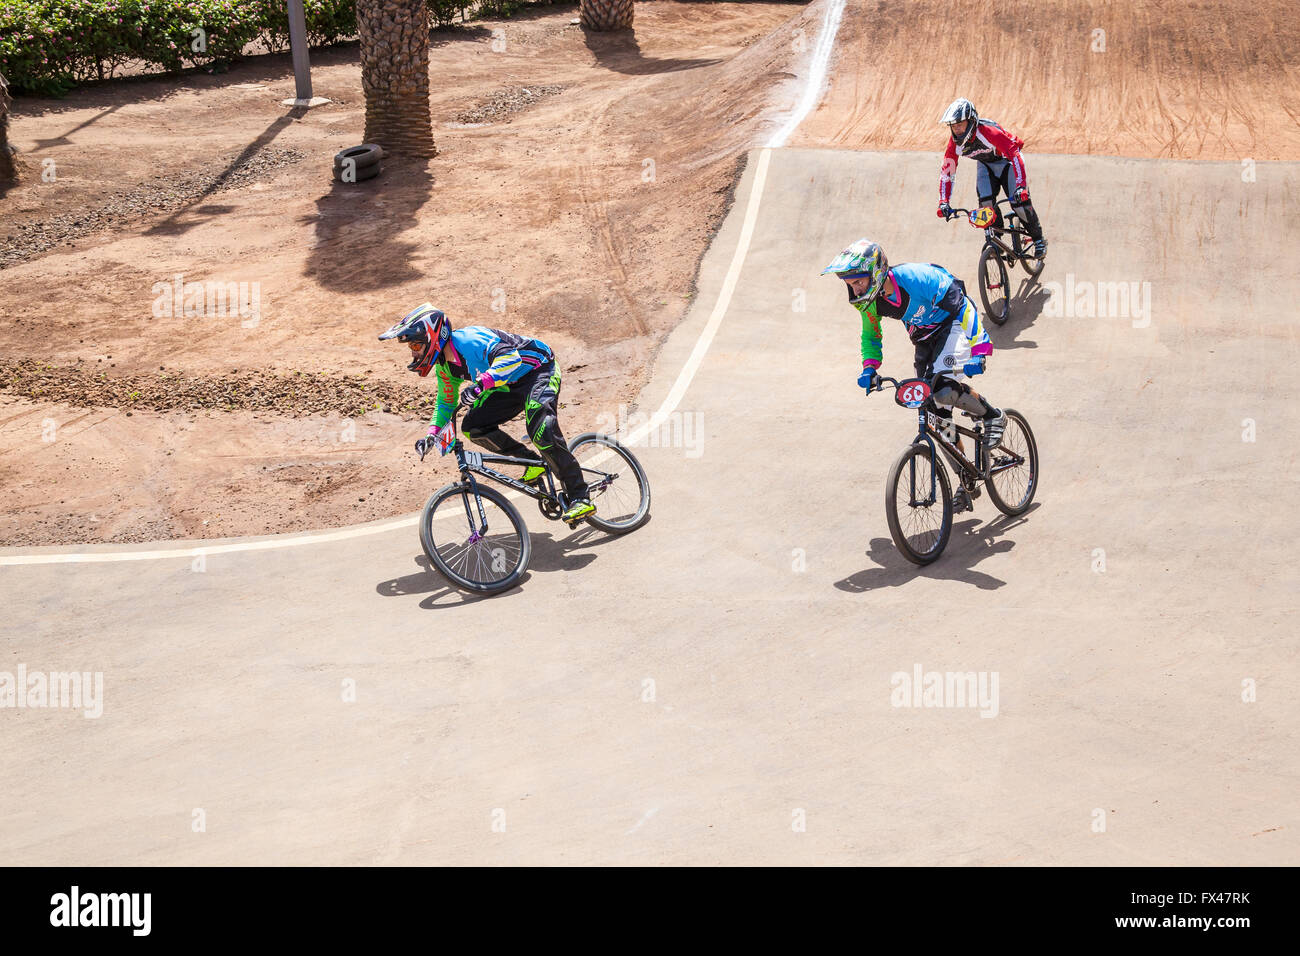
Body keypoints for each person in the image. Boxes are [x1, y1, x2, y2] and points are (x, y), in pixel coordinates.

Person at [822, 240, 1006, 512]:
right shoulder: (868, 303)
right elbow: (871, 336)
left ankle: (993, 416)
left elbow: (962, 307)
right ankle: (965, 476)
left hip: (954, 322)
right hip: (924, 337)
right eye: (850, 285)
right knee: (934, 412)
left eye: (858, 282)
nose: (855, 289)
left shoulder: (916, 278)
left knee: (942, 388)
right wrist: (870, 368)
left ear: (876, 272)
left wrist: (980, 347)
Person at [379, 303, 594, 522]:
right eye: (412, 348)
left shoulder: (469, 340)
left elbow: (512, 358)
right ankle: (531, 462)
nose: (414, 353)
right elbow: (445, 404)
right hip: (507, 386)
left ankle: (580, 496)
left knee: (541, 430)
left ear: (433, 337)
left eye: (416, 345)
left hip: (539, 371)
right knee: (473, 426)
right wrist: (431, 434)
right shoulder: (445, 367)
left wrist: (481, 384)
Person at [936, 98, 1047, 258]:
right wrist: (944, 202)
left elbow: (1015, 154)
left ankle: (1038, 240)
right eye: (953, 126)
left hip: (1007, 162)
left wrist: (1021, 185)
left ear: (971, 121)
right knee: (986, 206)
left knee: (1019, 204)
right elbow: (947, 172)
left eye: (960, 125)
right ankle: (996, 240)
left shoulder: (988, 132)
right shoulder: (954, 145)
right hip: (986, 165)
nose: (957, 130)